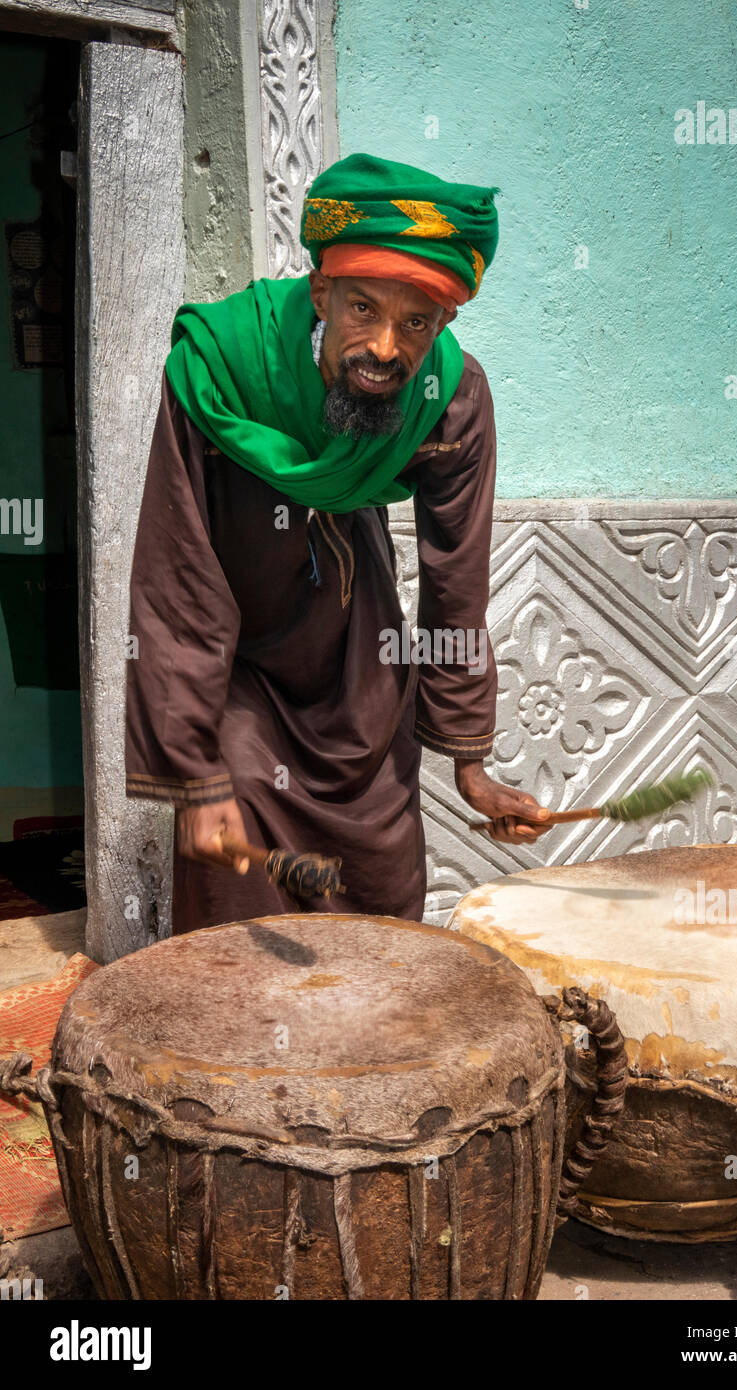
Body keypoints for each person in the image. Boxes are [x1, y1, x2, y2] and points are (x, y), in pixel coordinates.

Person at [125, 152, 549, 933]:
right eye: (363, 310)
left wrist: (472, 764)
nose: (386, 348)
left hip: (361, 658)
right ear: (322, 290)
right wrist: (194, 771)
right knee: (239, 834)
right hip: (239, 665)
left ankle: (375, 1056)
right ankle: (244, 1054)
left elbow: (455, 585)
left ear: (444, 323)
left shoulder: (450, 400)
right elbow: (177, 576)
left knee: (382, 868)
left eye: (416, 322)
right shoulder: (217, 366)